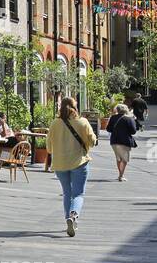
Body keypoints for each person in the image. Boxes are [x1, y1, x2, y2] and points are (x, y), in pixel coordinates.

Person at [46, 97, 98, 238]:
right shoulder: (83, 122)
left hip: (60, 164)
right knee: (78, 194)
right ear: (75, 107)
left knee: (67, 193)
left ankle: (67, 220)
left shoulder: (55, 123)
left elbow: (49, 147)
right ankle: (73, 215)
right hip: (79, 162)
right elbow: (92, 142)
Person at [108, 102, 137, 181]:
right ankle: (121, 175)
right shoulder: (129, 118)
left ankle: (120, 175)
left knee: (118, 158)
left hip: (114, 140)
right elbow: (133, 131)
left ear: (117, 110)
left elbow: (108, 129)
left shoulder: (113, 117)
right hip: (125, 141)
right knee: (124, 159)